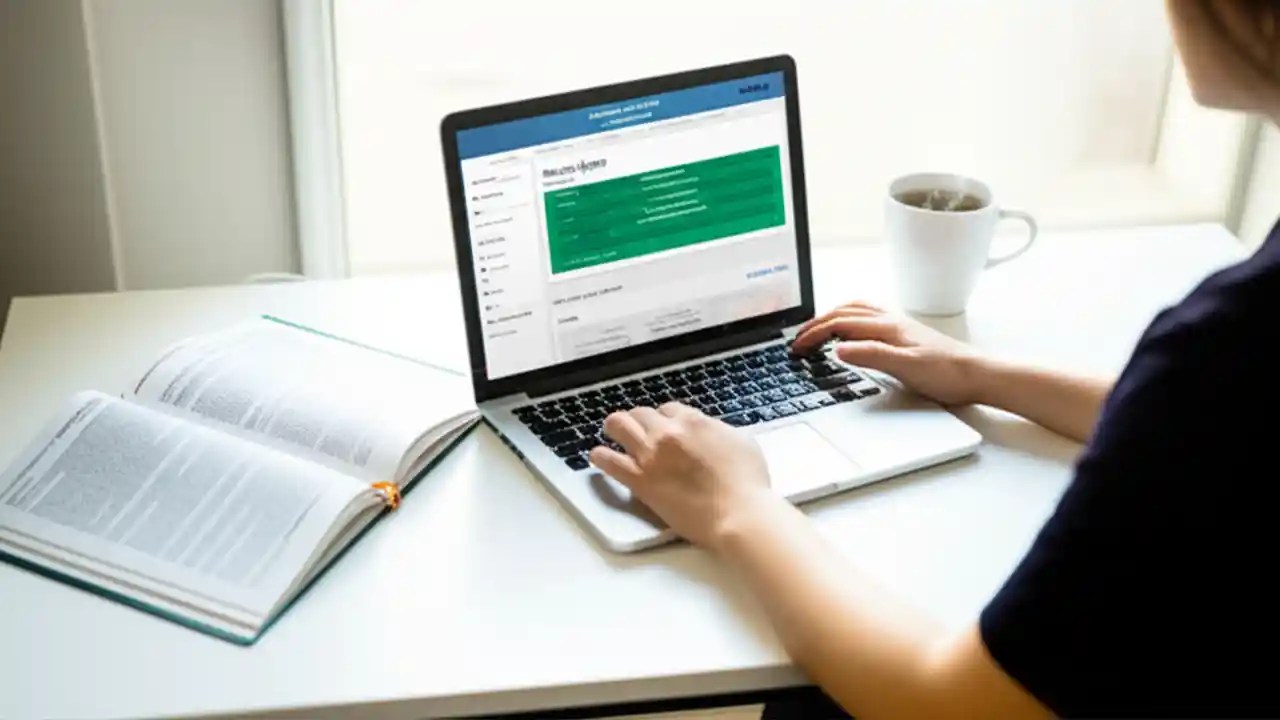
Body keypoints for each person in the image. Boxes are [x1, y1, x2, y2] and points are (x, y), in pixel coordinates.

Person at [587, 1, 1280, 717]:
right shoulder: (1232, 361)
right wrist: (982, 374)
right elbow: (1227, 431)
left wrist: (736, 505)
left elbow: (955, 706)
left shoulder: (1232, 341)